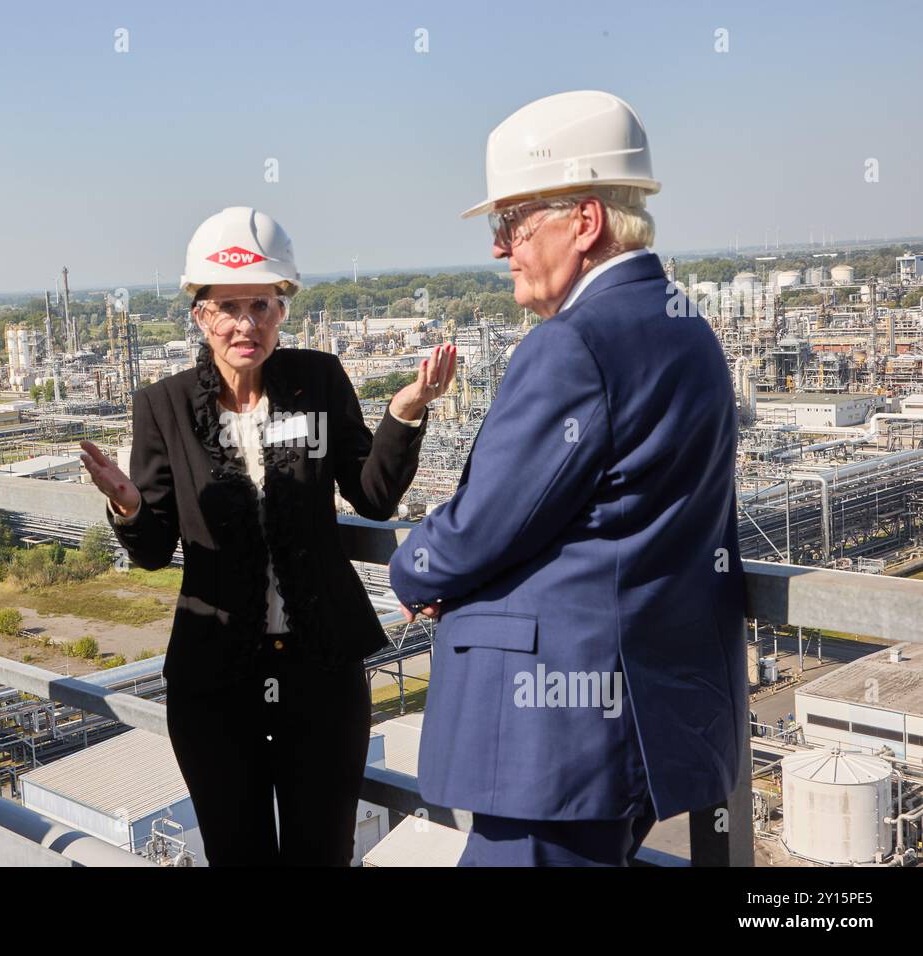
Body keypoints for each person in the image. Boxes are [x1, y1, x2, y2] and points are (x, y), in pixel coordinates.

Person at [390, 91, 748, 866]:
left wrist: (410, 567)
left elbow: (485, 525)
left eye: (512, 224)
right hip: (644, 720)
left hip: (553, 746)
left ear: (584, 221)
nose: (497, 248)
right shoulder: (687, 326)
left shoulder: (573, 344)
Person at [80, 206, 455, 865]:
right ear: (199, 315)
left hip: (320, 671)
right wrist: (129, 502)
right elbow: (151, 550)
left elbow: (371, 494)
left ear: (284, 309)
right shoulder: (163, 407)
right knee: (237, 853)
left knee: (322, 852)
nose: (245, 325)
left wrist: (405, 412)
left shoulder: (319, 379)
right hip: (216, 682)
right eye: (227, 308)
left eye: (261, 305)